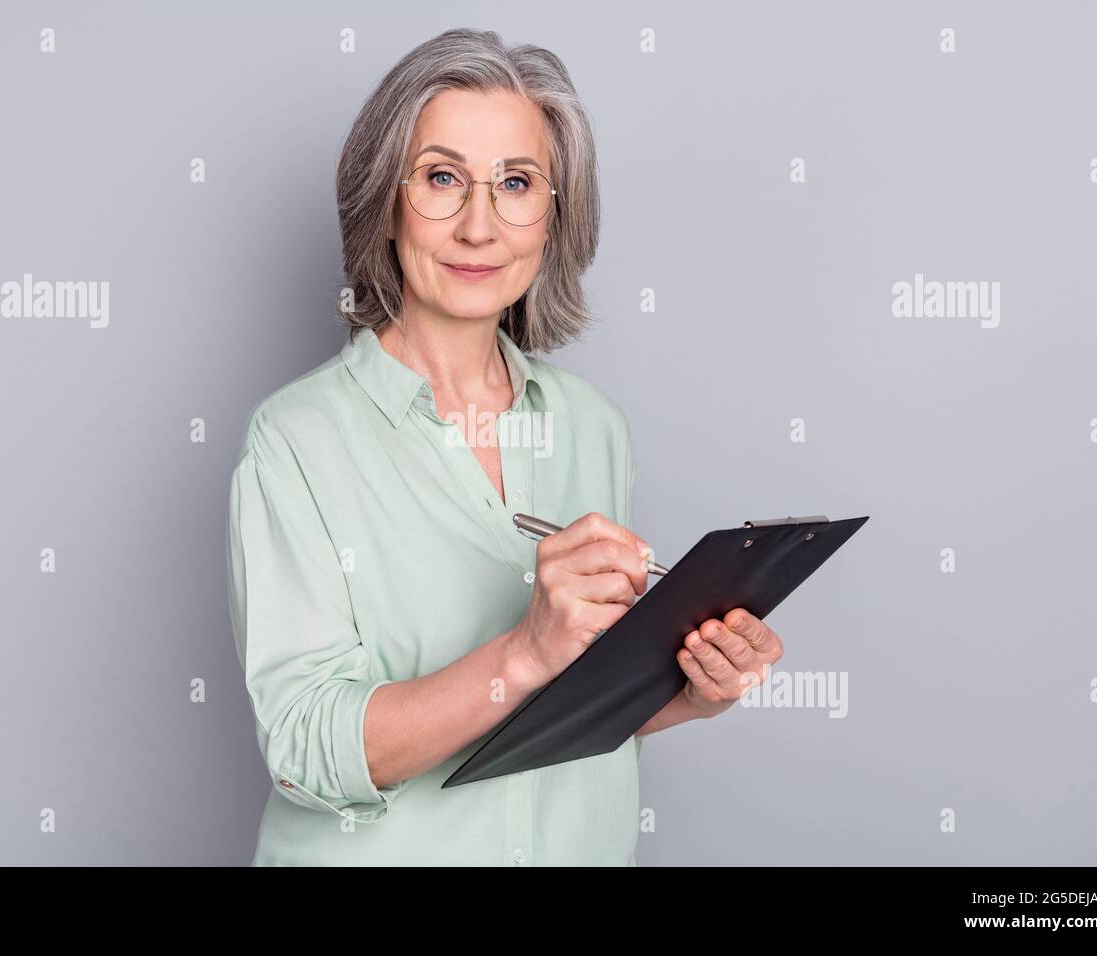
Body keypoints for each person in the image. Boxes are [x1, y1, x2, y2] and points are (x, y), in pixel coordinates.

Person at [225, 28, 783, 866]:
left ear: (555, 215)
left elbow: (578, 708)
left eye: (516, 183)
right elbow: (306, 750)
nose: (479, 227)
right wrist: (523, 650)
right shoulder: (293, 442)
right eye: (443, 178)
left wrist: (693, 690)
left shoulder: (594, 426)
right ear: (384, 200)